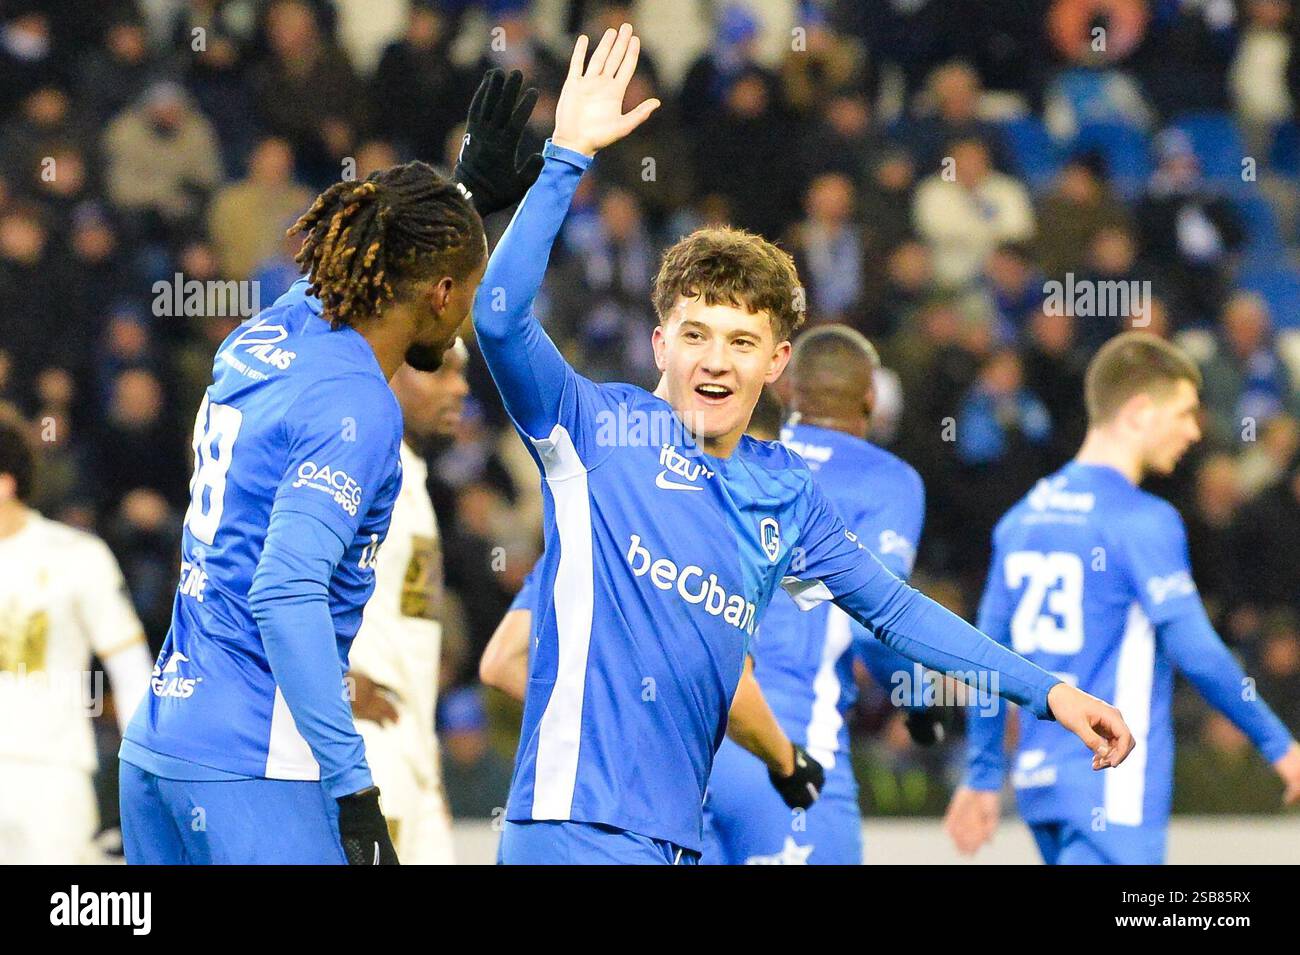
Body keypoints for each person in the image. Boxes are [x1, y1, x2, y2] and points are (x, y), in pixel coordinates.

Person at [474, 24, 1132, 866]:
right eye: (697, 335)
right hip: (569, 830)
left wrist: (1053, 693)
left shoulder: (783, 491)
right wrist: (565, 154)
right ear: (659, 344)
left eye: (742, 342)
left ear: (777, 361)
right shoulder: (595, 429)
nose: (716, 360)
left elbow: (894, 611)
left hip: (672, 841)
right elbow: (497, 317)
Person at [116, 67, 542, 865]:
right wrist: (353, 786)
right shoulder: (360, 410)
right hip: (257, 766)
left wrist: (463, 199)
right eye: (469, 289)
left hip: (161, 748)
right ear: (444, 293)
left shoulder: (269, 332)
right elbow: (284, 590)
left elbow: (387, 257)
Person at [946, 332, 1300, 865]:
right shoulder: (1142, 520)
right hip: (1113, 780)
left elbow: (984, 659)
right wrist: (1280, 745)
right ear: (1138, 412)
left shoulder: (1022, 518)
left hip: (1043, 785)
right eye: (1182, 412)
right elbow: (1198, 653)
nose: (1194, 430)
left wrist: (982, 774)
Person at [702, 326, 932, 865]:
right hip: (792, 746)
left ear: (786, 391)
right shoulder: (888, 480)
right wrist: (918, 700)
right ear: (871, 399)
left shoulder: (738, 463)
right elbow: (871, 616)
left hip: (697, 752)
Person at [0, 408, 152, 862]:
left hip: (51, 778)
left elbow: (130, 673)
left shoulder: (76, 556)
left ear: (6, 481)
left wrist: (146, 780)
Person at [346, 340, 470, 864]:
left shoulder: (411, 474)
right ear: (391, 372)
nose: (460, 388)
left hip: (412, 738)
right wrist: (335, 684)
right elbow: (267, 579)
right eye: (441, 373)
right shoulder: (355, 462)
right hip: (362, 736)